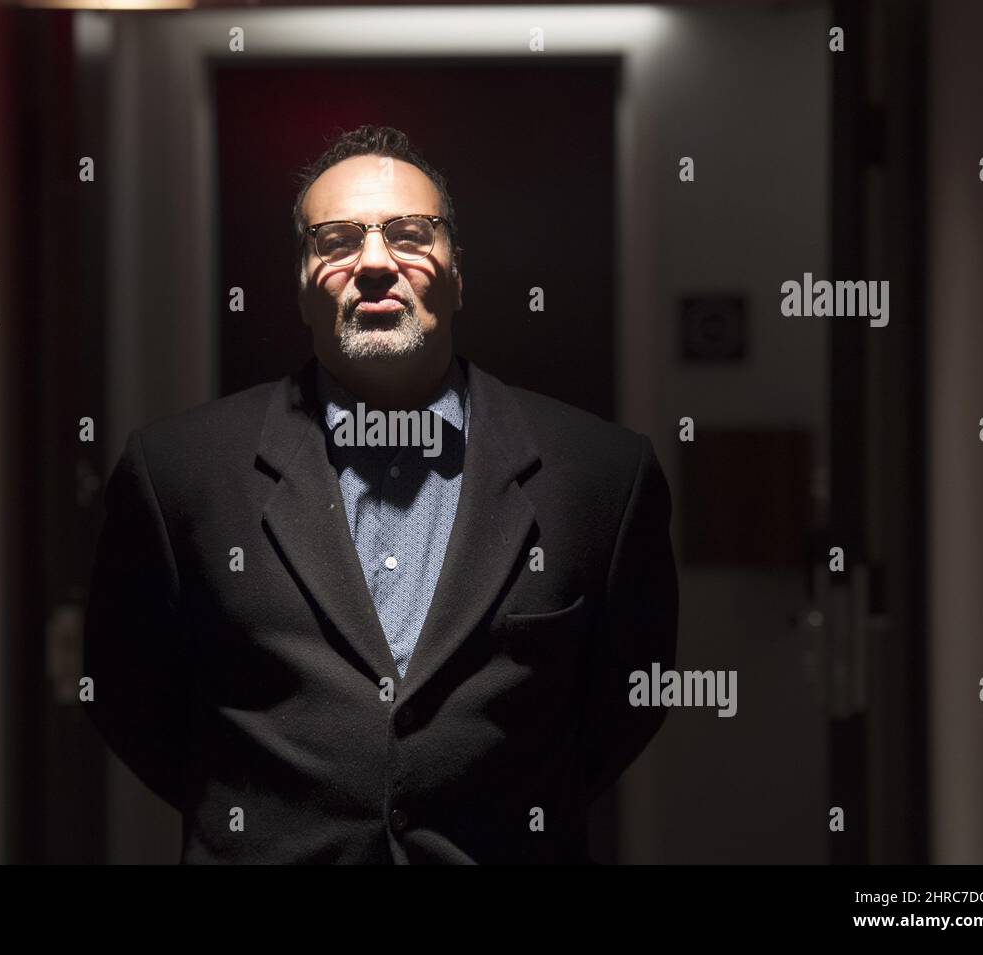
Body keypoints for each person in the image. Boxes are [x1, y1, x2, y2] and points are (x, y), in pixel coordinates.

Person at [83, 125, 678, 864]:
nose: (372, 263)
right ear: (301, 280)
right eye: (335, 240)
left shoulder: (599, 476)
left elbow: (627, 701)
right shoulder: (177, 471)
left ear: (457, 272)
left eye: (408, 234)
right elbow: (128, 696)